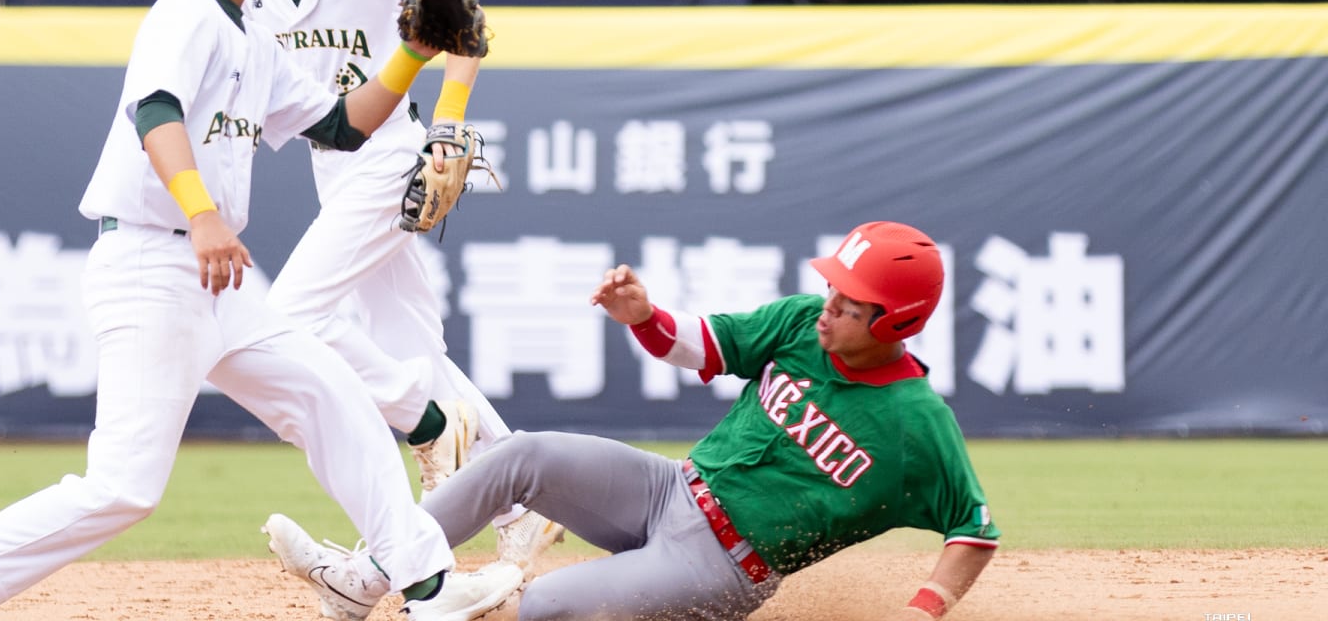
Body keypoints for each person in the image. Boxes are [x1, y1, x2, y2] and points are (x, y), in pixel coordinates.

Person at [0, 0, 522, 621]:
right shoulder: (184, 14)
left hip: (217, 277)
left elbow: (346, 126)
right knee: (124, 486)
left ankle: (429, 586)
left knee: (334, 398)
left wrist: (412, 48)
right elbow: (155, 112)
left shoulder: (254, 37)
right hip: (153, 260)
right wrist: (204, 212)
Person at [281, 221, 1001, 620]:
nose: (831, 306)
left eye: (852, 300)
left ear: (898, 318)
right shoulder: (801, 323)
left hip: (722, 566)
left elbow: (974, 527)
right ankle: (369, 579)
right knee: (521, 456)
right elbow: (703, 343)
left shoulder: (915, 425)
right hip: (669, 490)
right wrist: (646, 317)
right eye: (834, 288)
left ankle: (428, 609)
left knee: (548, 607)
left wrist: (925, 609)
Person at [237, 0, 559, 594]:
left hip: (391, 156)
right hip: (332, 164)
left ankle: (428, 424)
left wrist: (447, 125)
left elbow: (462, 22)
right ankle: (521, 499)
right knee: (416, 349)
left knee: (290, 317)